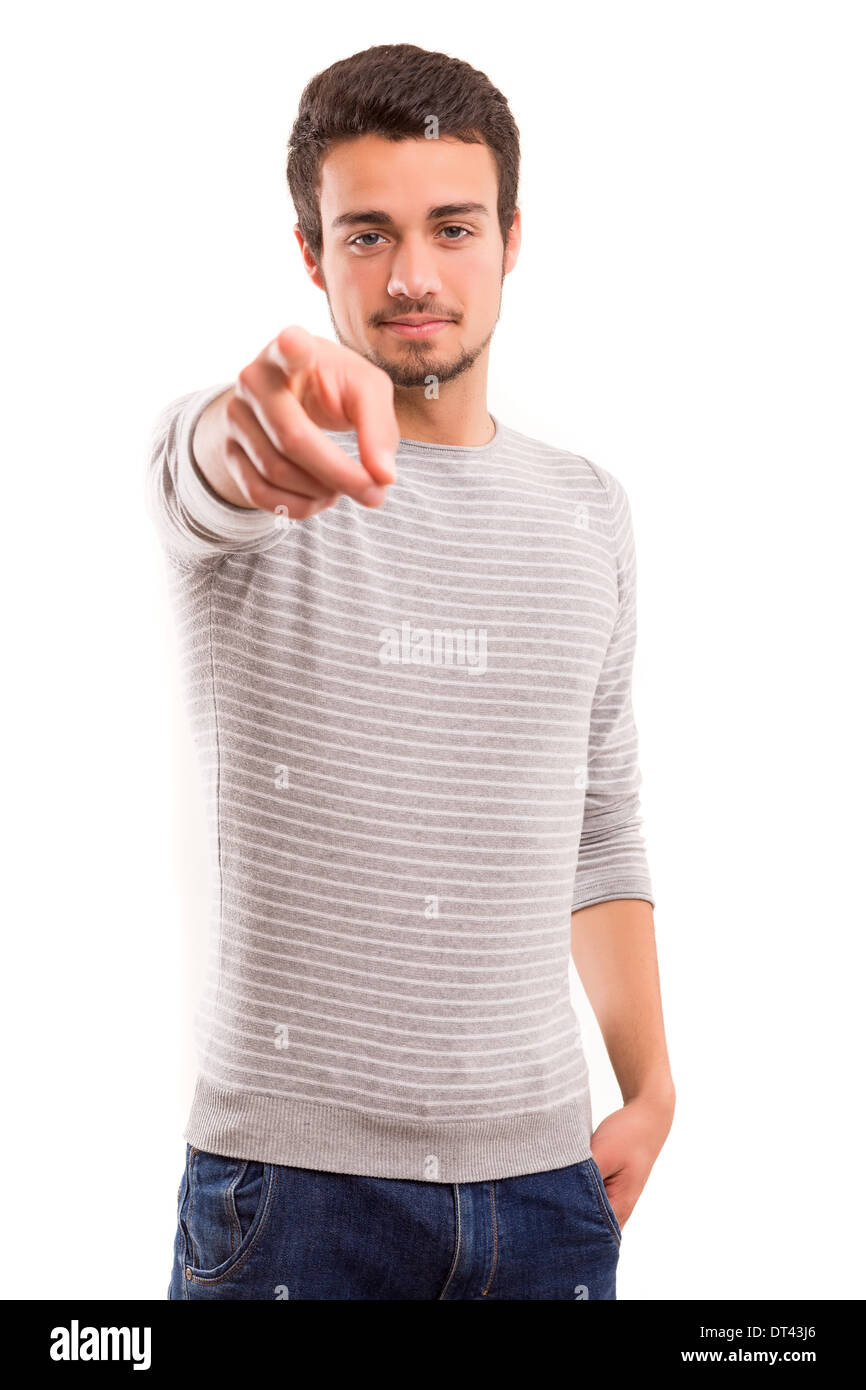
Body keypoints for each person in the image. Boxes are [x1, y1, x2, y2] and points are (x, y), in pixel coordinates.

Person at [147, 42, 675, 1301]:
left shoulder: (587, 509)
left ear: (509, 238)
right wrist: (260, 419)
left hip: (547, 1192)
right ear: (311, 254)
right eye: (367, 234)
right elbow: (207, 460)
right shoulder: (251, 466)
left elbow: (597, 830)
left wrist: (650, 1087)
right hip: (289, 1198)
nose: (413, 276)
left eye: (451, 226)